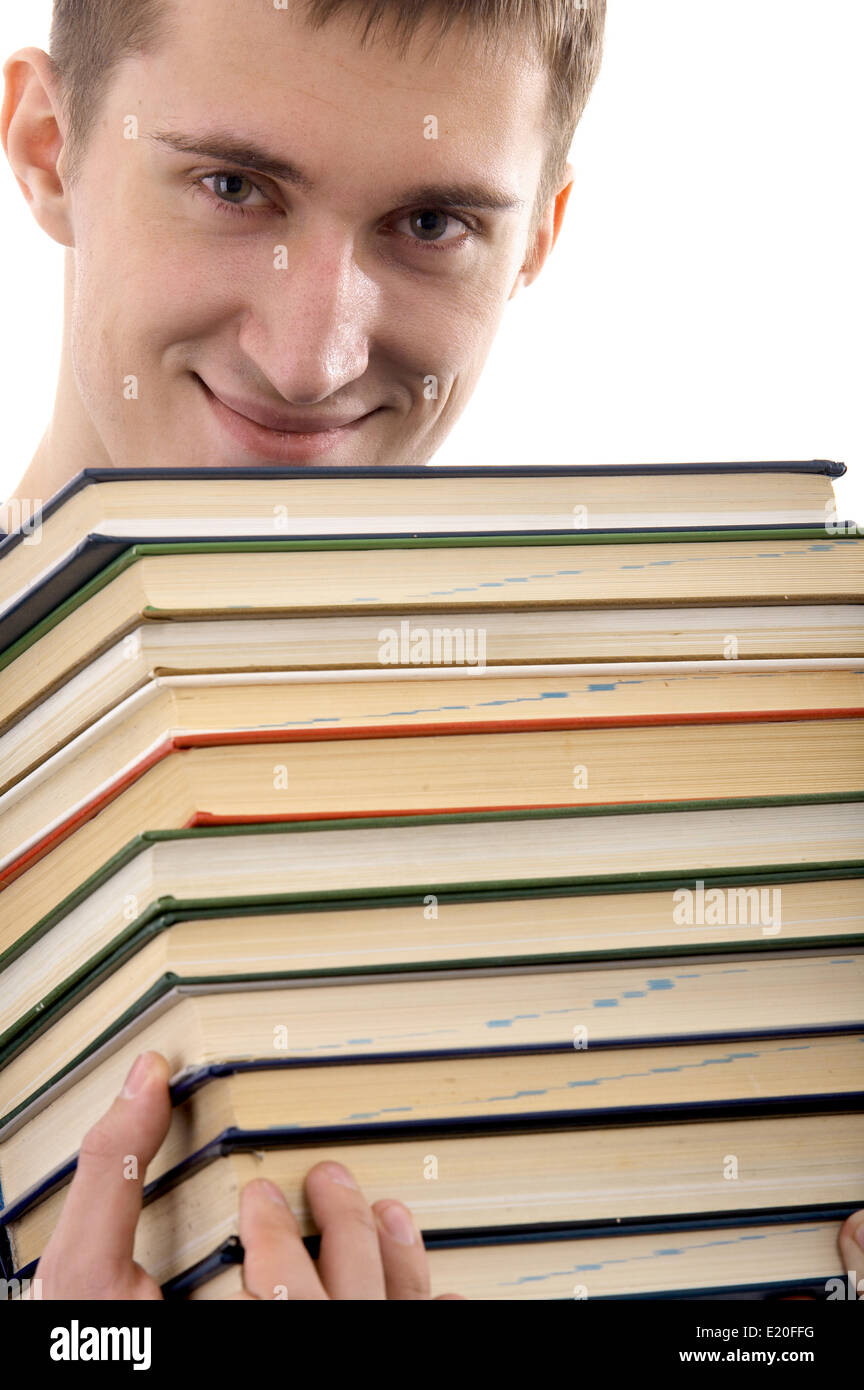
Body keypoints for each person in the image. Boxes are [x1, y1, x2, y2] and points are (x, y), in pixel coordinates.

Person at [1, 0, 860, 1301]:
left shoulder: (753, 809)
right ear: (48, 144)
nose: (312, 356)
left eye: (431, 224)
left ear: (540, 240)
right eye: (233, 186)